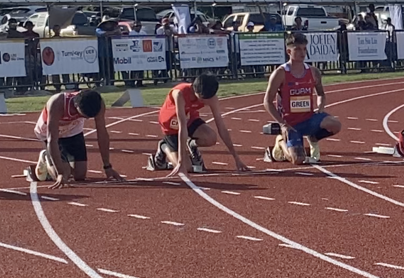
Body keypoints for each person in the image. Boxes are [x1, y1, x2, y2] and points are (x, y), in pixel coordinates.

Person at [262, 32, 342, 164]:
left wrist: (320, 108)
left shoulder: (313, 72)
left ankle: (313, 137)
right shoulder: (280, 73)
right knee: (298, 160)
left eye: (304, 48)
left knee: (335, 125)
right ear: (289, 51)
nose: (302, 52)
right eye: (297, 49)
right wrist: (282, 124)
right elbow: (267, 102)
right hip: (290, 124)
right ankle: (281, 143)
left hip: (309, 118)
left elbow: (321, 93)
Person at [146, 74, 249, 176]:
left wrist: (237, 159)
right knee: (186, 168)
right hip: (172, 124)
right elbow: (182, 127)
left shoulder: (211, 98)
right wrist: (181, 162)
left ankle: (191, 144)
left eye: (208, 98)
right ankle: (164, 146)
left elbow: (221, 127)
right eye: (202, 98)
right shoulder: (179, 94)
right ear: (195, 90)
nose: (205, 102)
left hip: (190, 119)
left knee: (211, 138)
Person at [25, 89, 125, 189]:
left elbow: (102, 133)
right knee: (65, 175)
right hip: (50, 133)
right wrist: (60, 173)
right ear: (76, 106)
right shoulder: (57, 103)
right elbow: (52, 139)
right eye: (82, 115)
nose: (84, 118)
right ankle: (46, 158)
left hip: (74, 131)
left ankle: (60, 164)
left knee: (80, 175)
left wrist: (107, 166)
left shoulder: (98, 103)